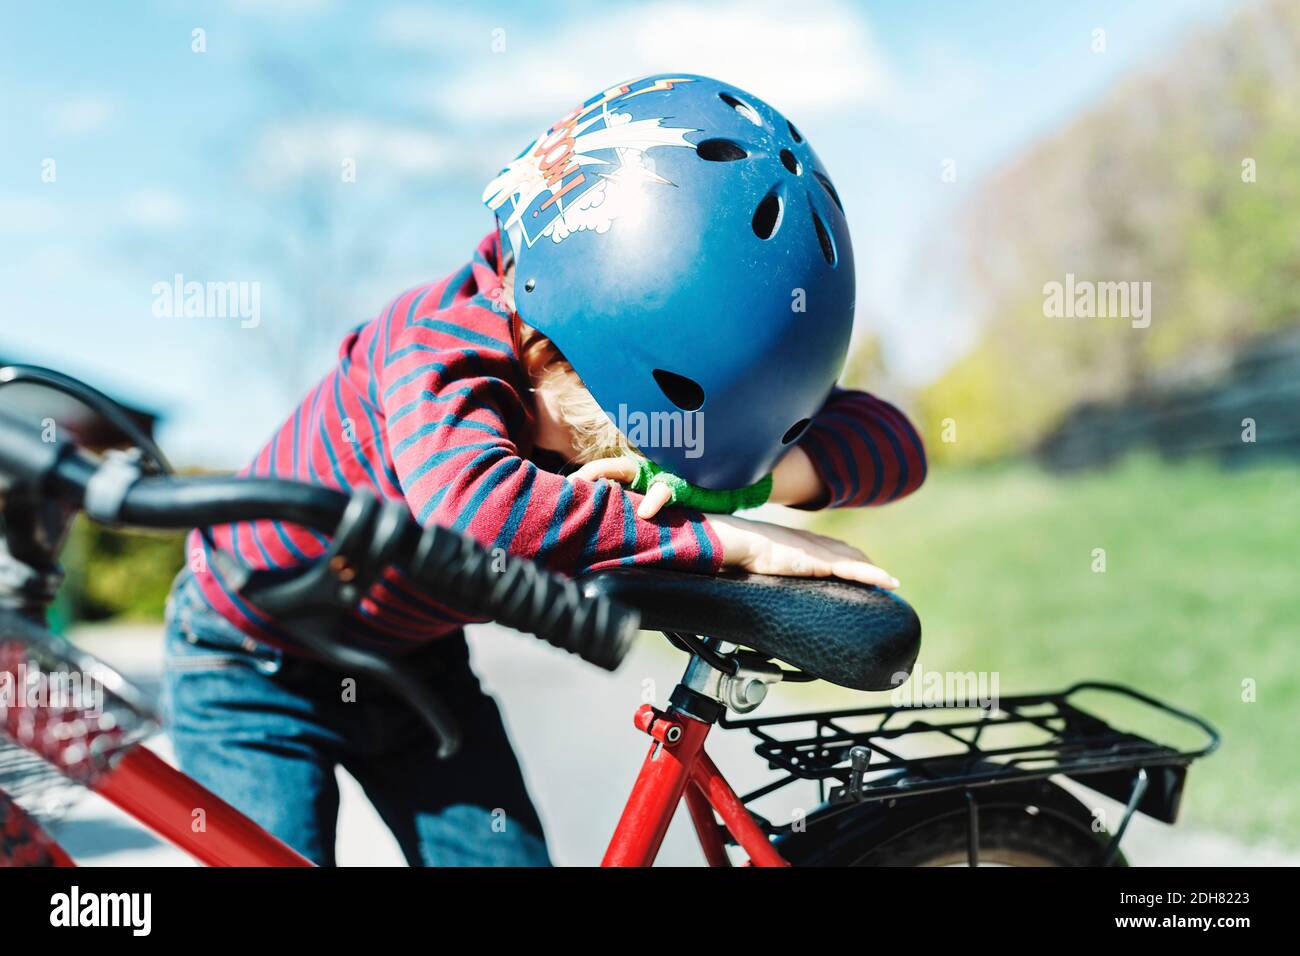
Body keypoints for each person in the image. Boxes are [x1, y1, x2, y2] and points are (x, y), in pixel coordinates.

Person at [162, 73, 927, 866]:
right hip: (250, 656)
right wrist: (730, 537)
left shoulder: (662, 344)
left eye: (642, 462)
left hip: (410, 666)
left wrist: (748, 478)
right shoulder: (435, 341)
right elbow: (475, 512)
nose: (592, 472)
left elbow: (896, 444)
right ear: (542, 333)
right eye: (579, 446)